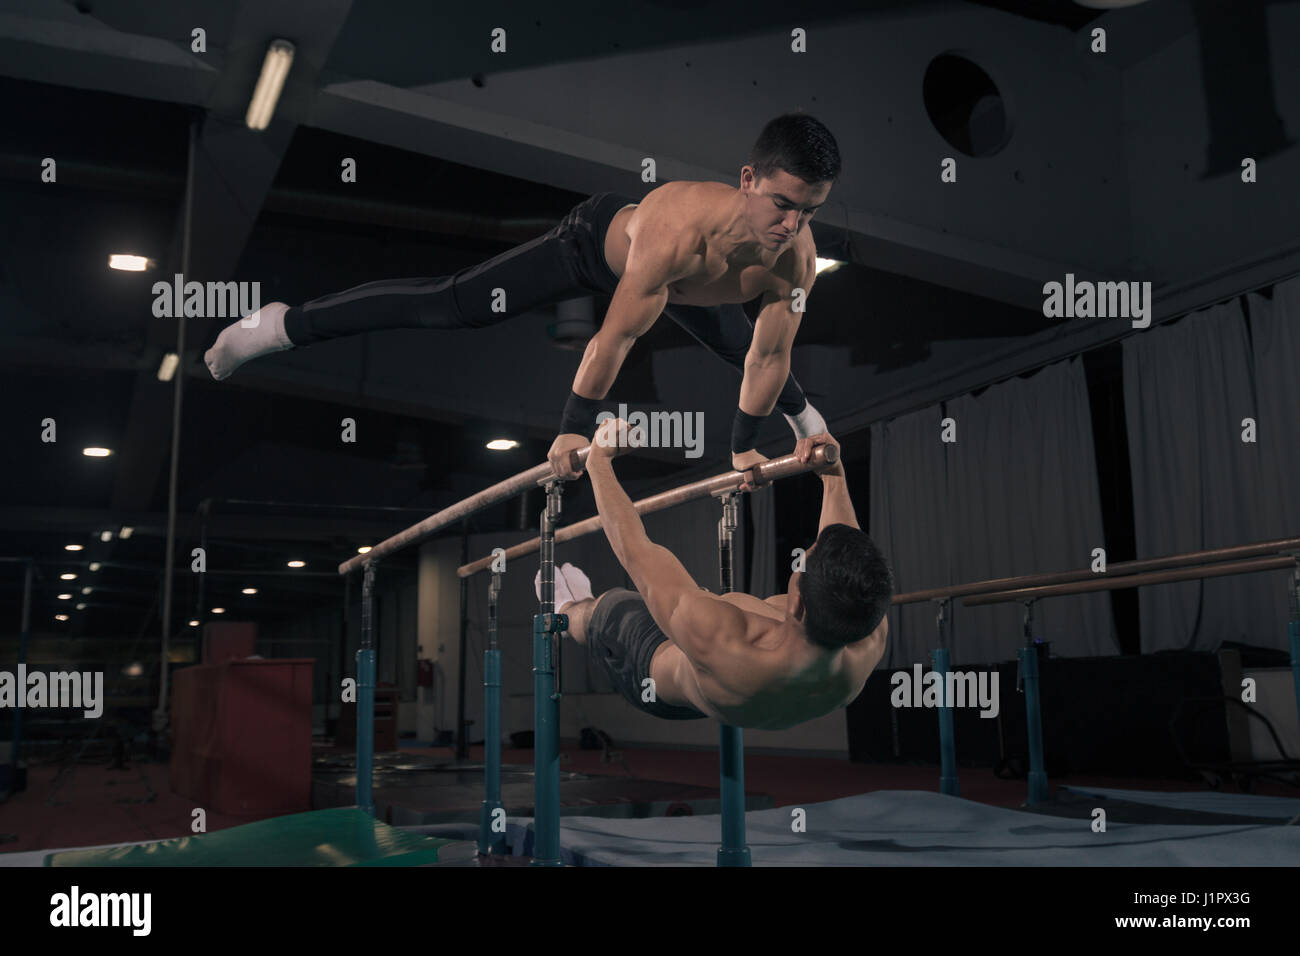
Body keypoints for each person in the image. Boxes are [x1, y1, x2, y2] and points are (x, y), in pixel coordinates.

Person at [203, 113, 842, 475]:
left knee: (745, 350)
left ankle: (808, 420)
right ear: (748, 179)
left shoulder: (798, 260)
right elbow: (613, 338)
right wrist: (572, 430)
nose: (792, 225)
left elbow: (767, 358)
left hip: (681, 290)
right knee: (447, 305)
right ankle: (286, 324)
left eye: (809, 212)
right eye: (783, 204)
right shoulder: (678, 228)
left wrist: (741, 451)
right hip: (596, 247)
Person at [536, 418, 892, 732]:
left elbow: (635, 550)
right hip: (742, 694)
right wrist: (833, 474)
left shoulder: (724, 641)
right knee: (703, 607)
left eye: (802, 564)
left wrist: (599, 460)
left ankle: (568, 607)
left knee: (611, 606)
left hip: (656, 671)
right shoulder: (867, 629)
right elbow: (845, 545)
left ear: (797, 602)